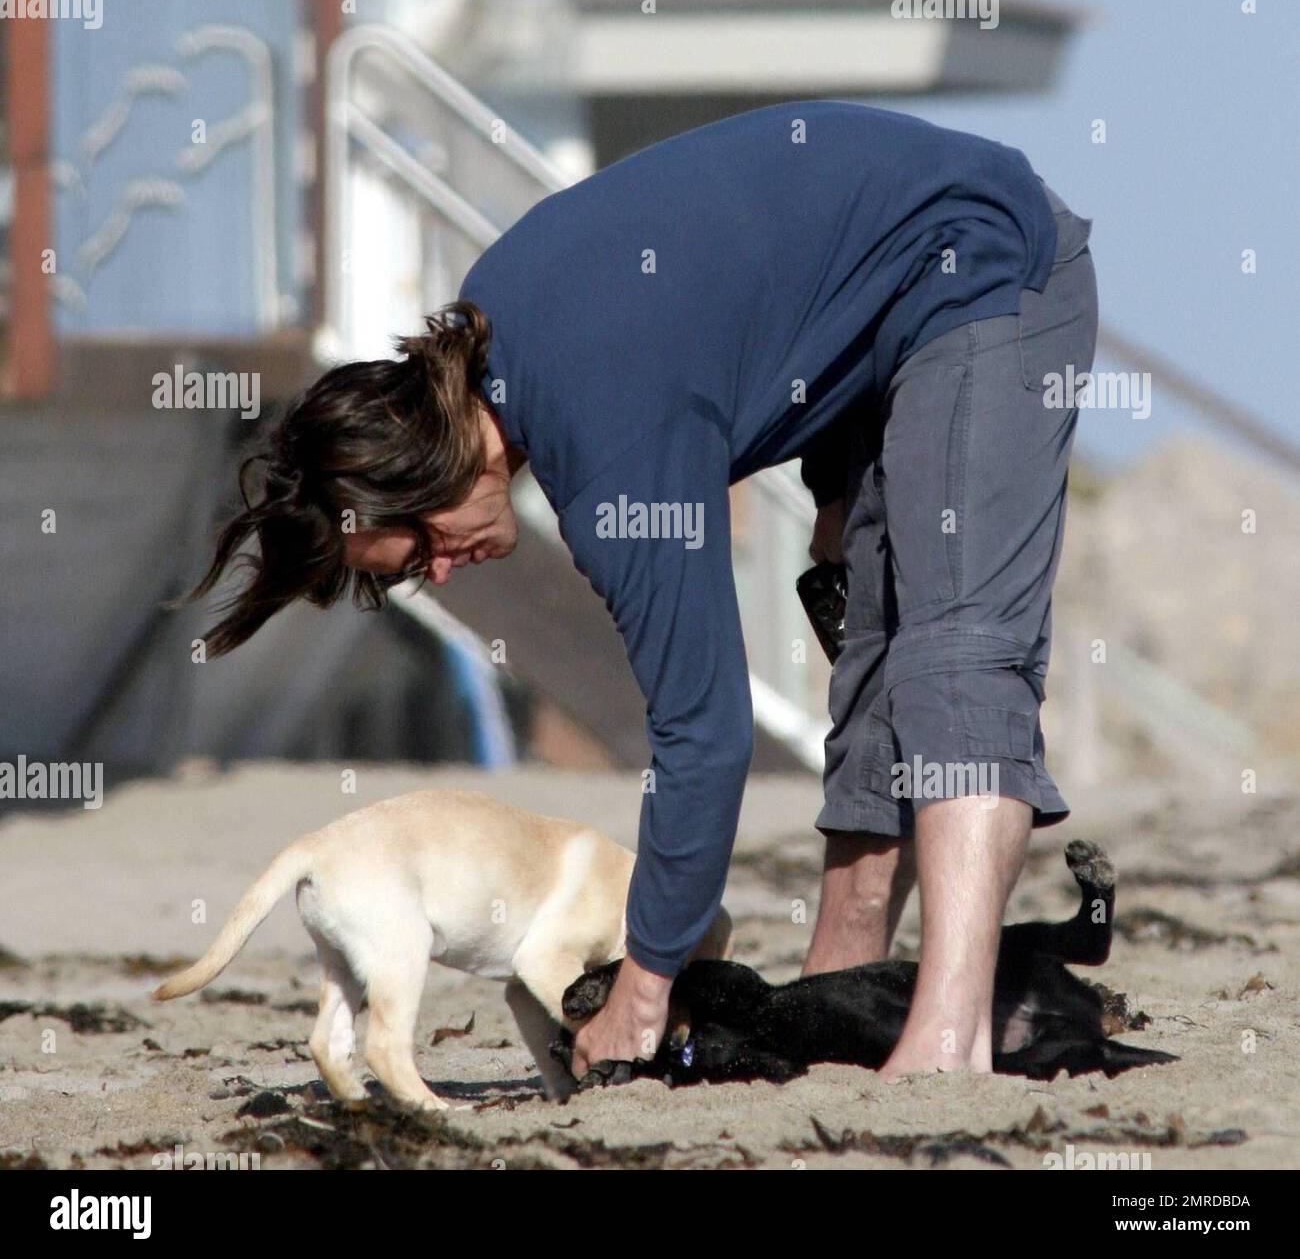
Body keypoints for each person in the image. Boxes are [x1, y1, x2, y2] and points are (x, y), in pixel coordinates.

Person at [193, 101, 1097, 1082]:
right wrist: (840, 493)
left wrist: (644, 985)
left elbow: (704, 734)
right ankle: (839, 986)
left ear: (414, 474)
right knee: (873, 663)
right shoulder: (496, 331)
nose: (442, 574)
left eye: (418, 557)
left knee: (953, 653)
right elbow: (749, 294)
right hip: (882, 323)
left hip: (982, 261)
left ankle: (947, 1043)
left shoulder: (604, 445)